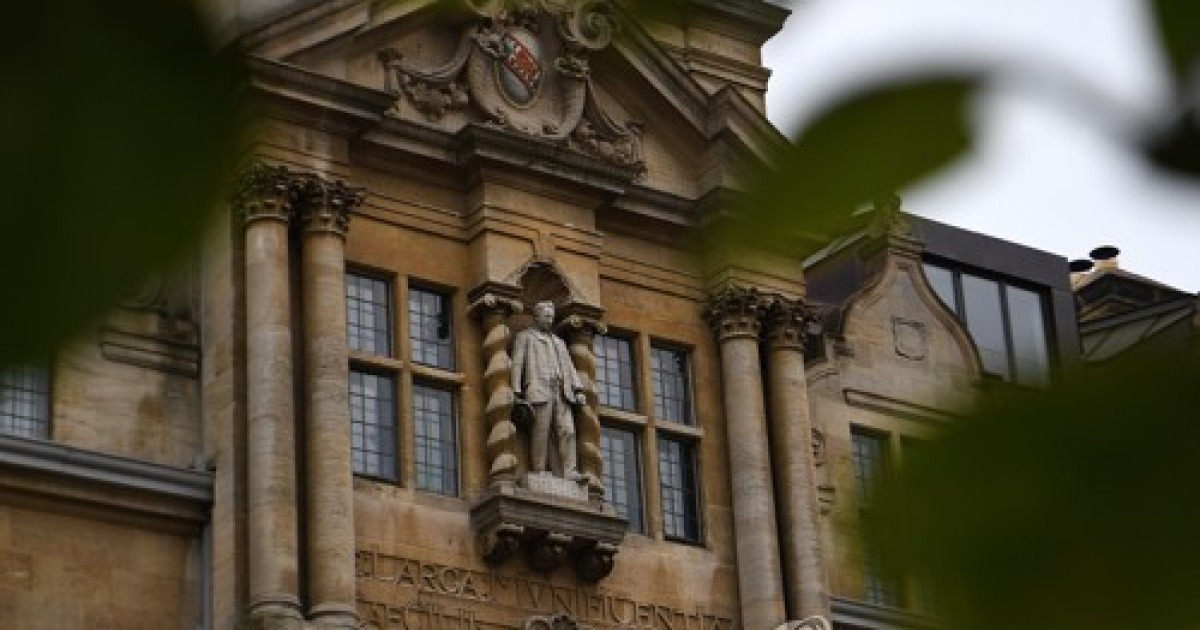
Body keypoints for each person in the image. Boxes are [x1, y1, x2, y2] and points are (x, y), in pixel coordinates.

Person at [511, 301, 586, 478]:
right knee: (541, 432)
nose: (549, 320)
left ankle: (570, 471)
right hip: (539, 388)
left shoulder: (559, 342)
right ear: (536, 316)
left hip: (561, 390)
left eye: (551, 317)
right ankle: (539, 469)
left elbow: (569, 367)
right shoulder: (525, 337)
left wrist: (578, 389)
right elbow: (517, 363)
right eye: (546, 316)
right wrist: (516, 390)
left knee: (568, 430)